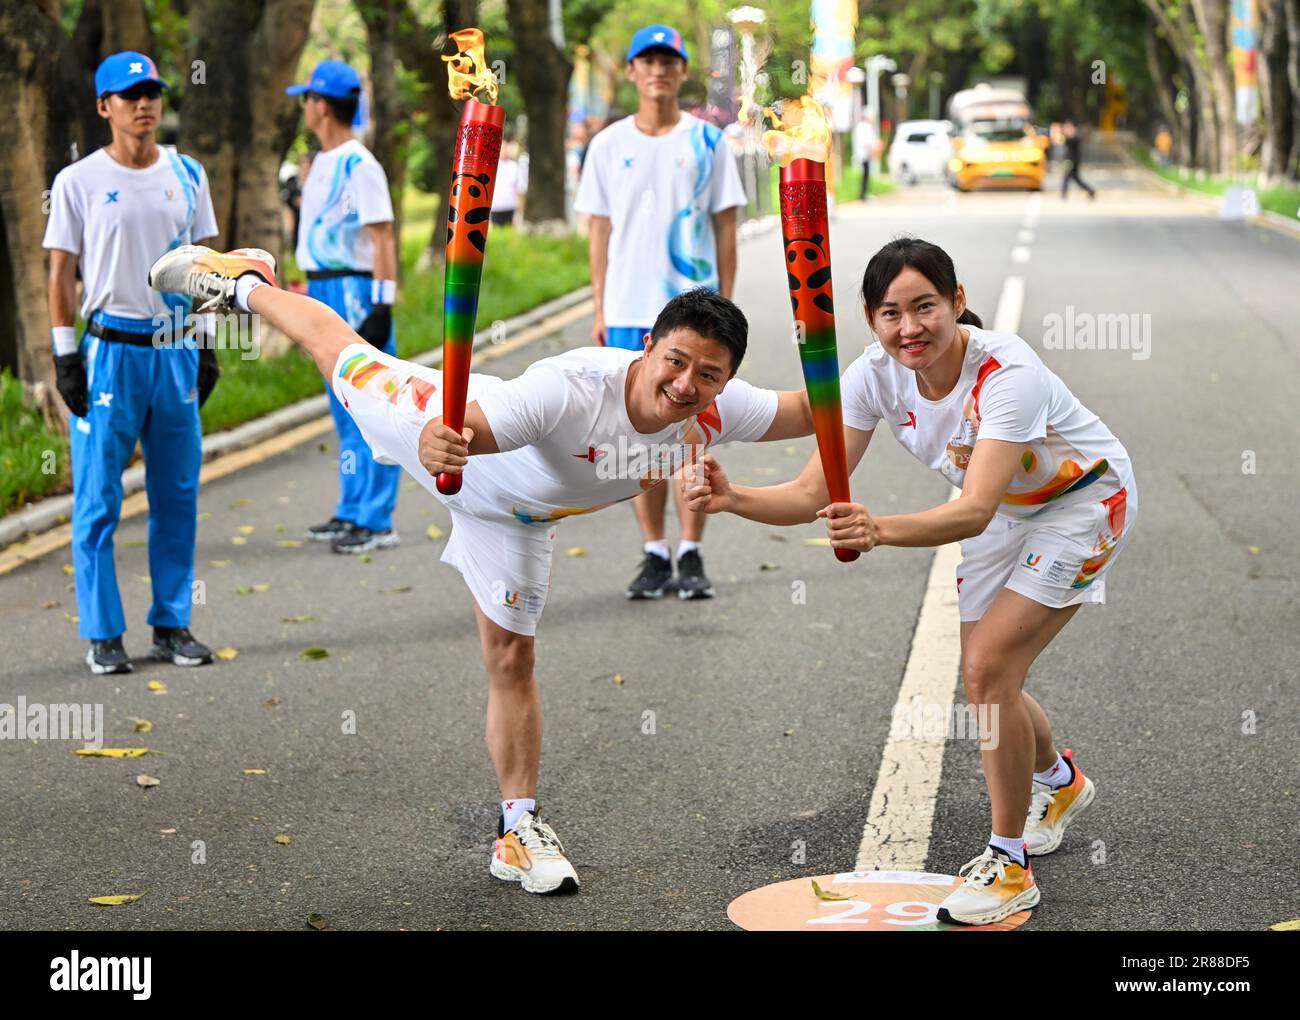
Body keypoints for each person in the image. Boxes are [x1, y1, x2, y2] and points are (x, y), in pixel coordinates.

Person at [148, 245, 817, 894]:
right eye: (677, 362)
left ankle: (517, 832)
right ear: (647, 345)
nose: (686, 385)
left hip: (517, 524)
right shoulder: (570, 389)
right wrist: (440, 436)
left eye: (709, 375)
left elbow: (813, 408)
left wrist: (896, 367)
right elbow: (470, 425)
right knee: (342, 354)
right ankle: (245, 280)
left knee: (511, 661)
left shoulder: (716, 411)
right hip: (450, 443)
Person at [686, 237, 1138, 926]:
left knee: (989, 670)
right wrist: (732, 497)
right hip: (1005, 516)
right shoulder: (874, 375)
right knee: (988, 676)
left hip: (1082, 503)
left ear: (958, 302)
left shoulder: (1006, 374)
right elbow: (813, 490)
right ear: (870, 319)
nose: (910, 329)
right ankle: (1059, 781)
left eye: (926, 307)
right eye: (891, 313)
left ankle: (1008, 863)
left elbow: (974, 508)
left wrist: (878, 529)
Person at [44, 51, 221, 675]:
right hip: (109, 353)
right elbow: (61, 272)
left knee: (177, 492)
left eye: (152, 92)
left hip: (173, 349)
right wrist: (66, 356)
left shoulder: (189, 173)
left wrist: (205, 342)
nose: (144, 103)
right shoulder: (78, 182)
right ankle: (103, 633)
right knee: (98, 498)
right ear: (104, 107)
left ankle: (172, 625)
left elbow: (203, 265)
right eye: (129, 95)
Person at [575, 24, 747, 601]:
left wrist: (726, 301)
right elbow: (598, 230)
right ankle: (654, 552)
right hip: (628, 310)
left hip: (696, 314)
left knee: (692, 434)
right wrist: (600, 306)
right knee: (637, 438)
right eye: (647, 60)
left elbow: (727, 225)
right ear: (631, 72)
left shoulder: (708, 142)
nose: (658, 70)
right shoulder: (607, 145)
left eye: (669, 61)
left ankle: (692, 551)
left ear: (680, 71)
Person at [287, 60, 402, 553]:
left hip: (354, 290)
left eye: (308, 99)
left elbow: (383, 237)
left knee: (369, 404)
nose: (304, 108)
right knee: (342, 406)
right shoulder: (322, 161)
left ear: (322, 106)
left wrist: (382, 306)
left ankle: (377, 520)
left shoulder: (360, 163)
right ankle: (352, 508)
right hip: (323, 288)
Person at [490, 140, 526, 228]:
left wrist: (520, 209)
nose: (503, 151)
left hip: (510, 206)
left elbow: (520, 189)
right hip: (495, 206)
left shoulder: (514, 166)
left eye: (505, 148)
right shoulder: (492, 166)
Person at [1060, 120, 1096, 200]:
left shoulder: (1075, 138)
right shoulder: (1070, 138)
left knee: (1067, 177)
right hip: (1069, 160)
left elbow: (1067, 140)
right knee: (1076, 179)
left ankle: (1064, 193)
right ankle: (1090, 190)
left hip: (1071, 161)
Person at [851, 109, 879, 200]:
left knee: (866, 175)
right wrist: (871, 150)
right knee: (864, 175)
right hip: (863, 155)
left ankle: (864, 193)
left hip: (866, 155)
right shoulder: (863, 127)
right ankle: (863, 194)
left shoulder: (865, 126)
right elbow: (866, 142)